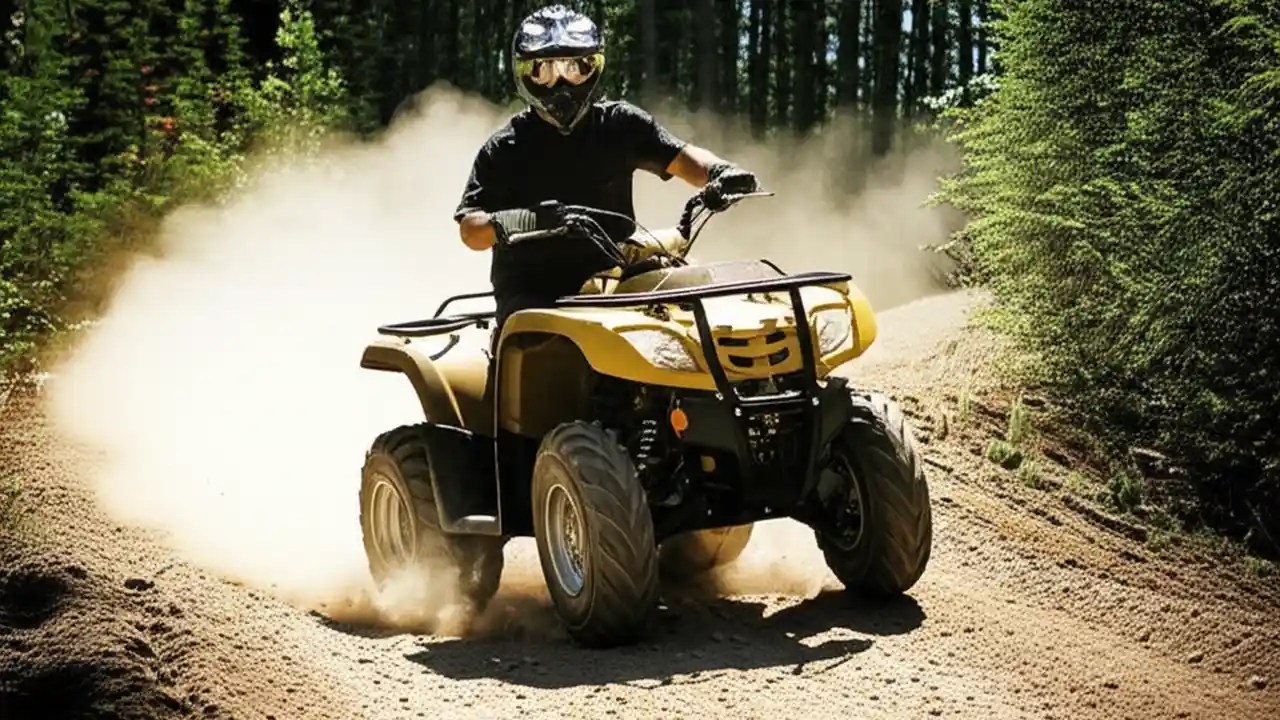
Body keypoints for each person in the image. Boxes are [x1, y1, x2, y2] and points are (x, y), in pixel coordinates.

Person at [454, 4, 760, 332]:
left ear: (594, 68)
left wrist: (721, 172)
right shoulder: (506, 148)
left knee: (694, 302)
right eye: (543, 70)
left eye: (575, 68)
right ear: (524, 75)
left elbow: (685, 159)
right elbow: (471, 231)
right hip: (534, 294)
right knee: (551, 359)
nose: (560, 84)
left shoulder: (621, 125)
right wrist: (529, 219)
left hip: (615, 280)